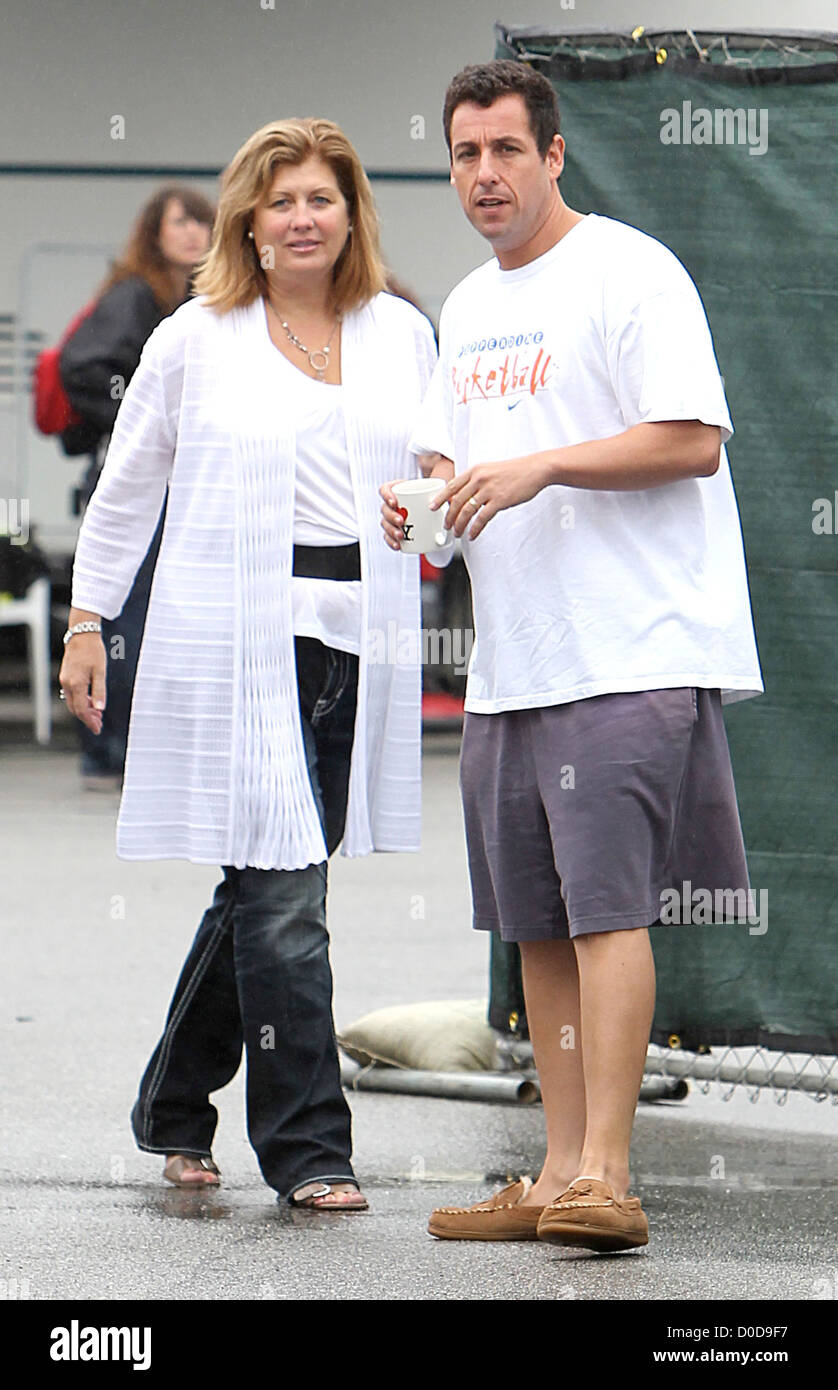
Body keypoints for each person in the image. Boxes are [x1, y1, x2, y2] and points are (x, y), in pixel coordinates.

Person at [382, 60, 762, 1251]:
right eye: (462, 155)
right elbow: (454, 472)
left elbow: (692, 440)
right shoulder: (469, 303)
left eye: (504, 149)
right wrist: (422, 505)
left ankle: (610, 1175)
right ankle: (552, 1174)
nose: (482, 174)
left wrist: (541, 465)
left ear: (554, 154)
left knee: (606, 918)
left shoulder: (630, 268)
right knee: (537, 930)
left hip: (628, 649)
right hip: (512, 665)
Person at [60, 118, 437, 1210]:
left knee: (262, 885)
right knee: (286, 901)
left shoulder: (400, 334)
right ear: (248, 222)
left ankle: (173, 1102)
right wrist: (88, 622)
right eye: (281, 202)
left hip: (354, 641)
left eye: (321, 197)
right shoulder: (196, 337)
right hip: (236, 640)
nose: (302, 217)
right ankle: (309, 1145)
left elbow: (443, 483)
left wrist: (435, 521)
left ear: (352, 212)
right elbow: (126, 487)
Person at [60, 185, 214, 789]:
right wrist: (139, 416)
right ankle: (107, 742)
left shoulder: (187, 299)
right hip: (135, 485)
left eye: (203, 224)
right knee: (122, 615)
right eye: (181, 223)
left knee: (148, 615)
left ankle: (128, 738)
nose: (194, 235)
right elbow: (81, 366)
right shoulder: (136, 295)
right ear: (155, 231)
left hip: (171, 488)